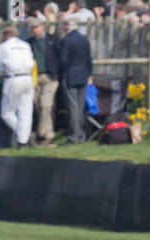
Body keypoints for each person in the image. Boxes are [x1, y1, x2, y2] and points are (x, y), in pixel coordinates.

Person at [0, 26, 37, 149]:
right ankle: (24, 139)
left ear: (6, 36)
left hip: (13, 79)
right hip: (28, 78)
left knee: (7, 112)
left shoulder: (3, 47)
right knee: (26, 112)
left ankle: (24, 136)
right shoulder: (25, 45)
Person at [24, 19, 62, 145]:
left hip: (49, 77)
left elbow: (60, 56)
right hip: (35, 77)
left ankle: (43, 134)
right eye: (32, 27)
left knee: (46, 105)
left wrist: (57, 71)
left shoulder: (53, 39)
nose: (34, 30)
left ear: (43, 27)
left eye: (37, 27)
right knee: (37, 106)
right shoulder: (29, 42)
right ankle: (47, 134)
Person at [58, 13, 94, 143]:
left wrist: (62, 72)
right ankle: (81, 135)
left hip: (70, 76)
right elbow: (89, 59)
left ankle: (74, 135)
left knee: (72, 107)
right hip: (83, 75)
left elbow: (63, 61)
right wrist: (89, 73)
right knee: (80, 106)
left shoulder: (66, 40)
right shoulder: (84, 39)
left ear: (66, 27)